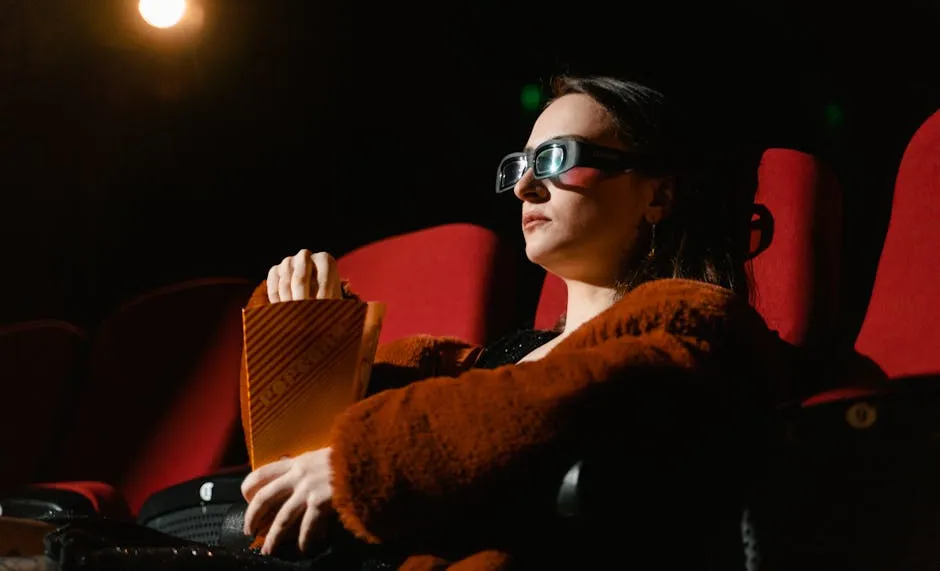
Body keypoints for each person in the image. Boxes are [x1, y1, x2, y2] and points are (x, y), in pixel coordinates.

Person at [236, 75, 790, 570]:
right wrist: (301, 322)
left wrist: (360, 464)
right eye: (522, 165)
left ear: (659, 194)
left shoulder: (693, 320)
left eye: (557, 158)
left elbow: (580, 395)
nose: (525, 187)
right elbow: (294, 447)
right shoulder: (488, 362)